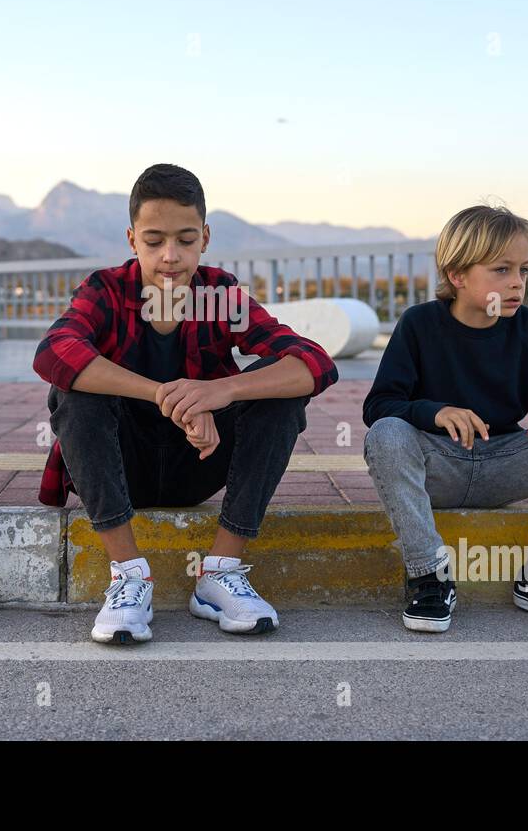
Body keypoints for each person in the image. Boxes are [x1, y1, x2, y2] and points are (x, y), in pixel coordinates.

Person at [33, 163, 338, 644]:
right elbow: (54, 353)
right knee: (73, 390)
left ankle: (219, 573)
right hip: (122, 465)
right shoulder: (106, 290)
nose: (170, 256)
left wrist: (220, 392)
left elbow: (314, 362)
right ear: (132, 239)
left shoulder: (220, 292)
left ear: (206, 237)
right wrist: (165, 395)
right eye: (154, 241)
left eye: (186, 239)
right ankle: (129, 576)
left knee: (281, 395)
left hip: (198, 461)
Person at [362, 205, 528, 632]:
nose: (516, 284)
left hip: (508, 464)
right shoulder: (419, 324)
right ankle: (429, 576)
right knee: (387, 434)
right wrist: (435, 412)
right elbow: (379, 406)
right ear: (457, 275)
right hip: (440, 468)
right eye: (501, 270)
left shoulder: (527, 328)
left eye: (524, 270)